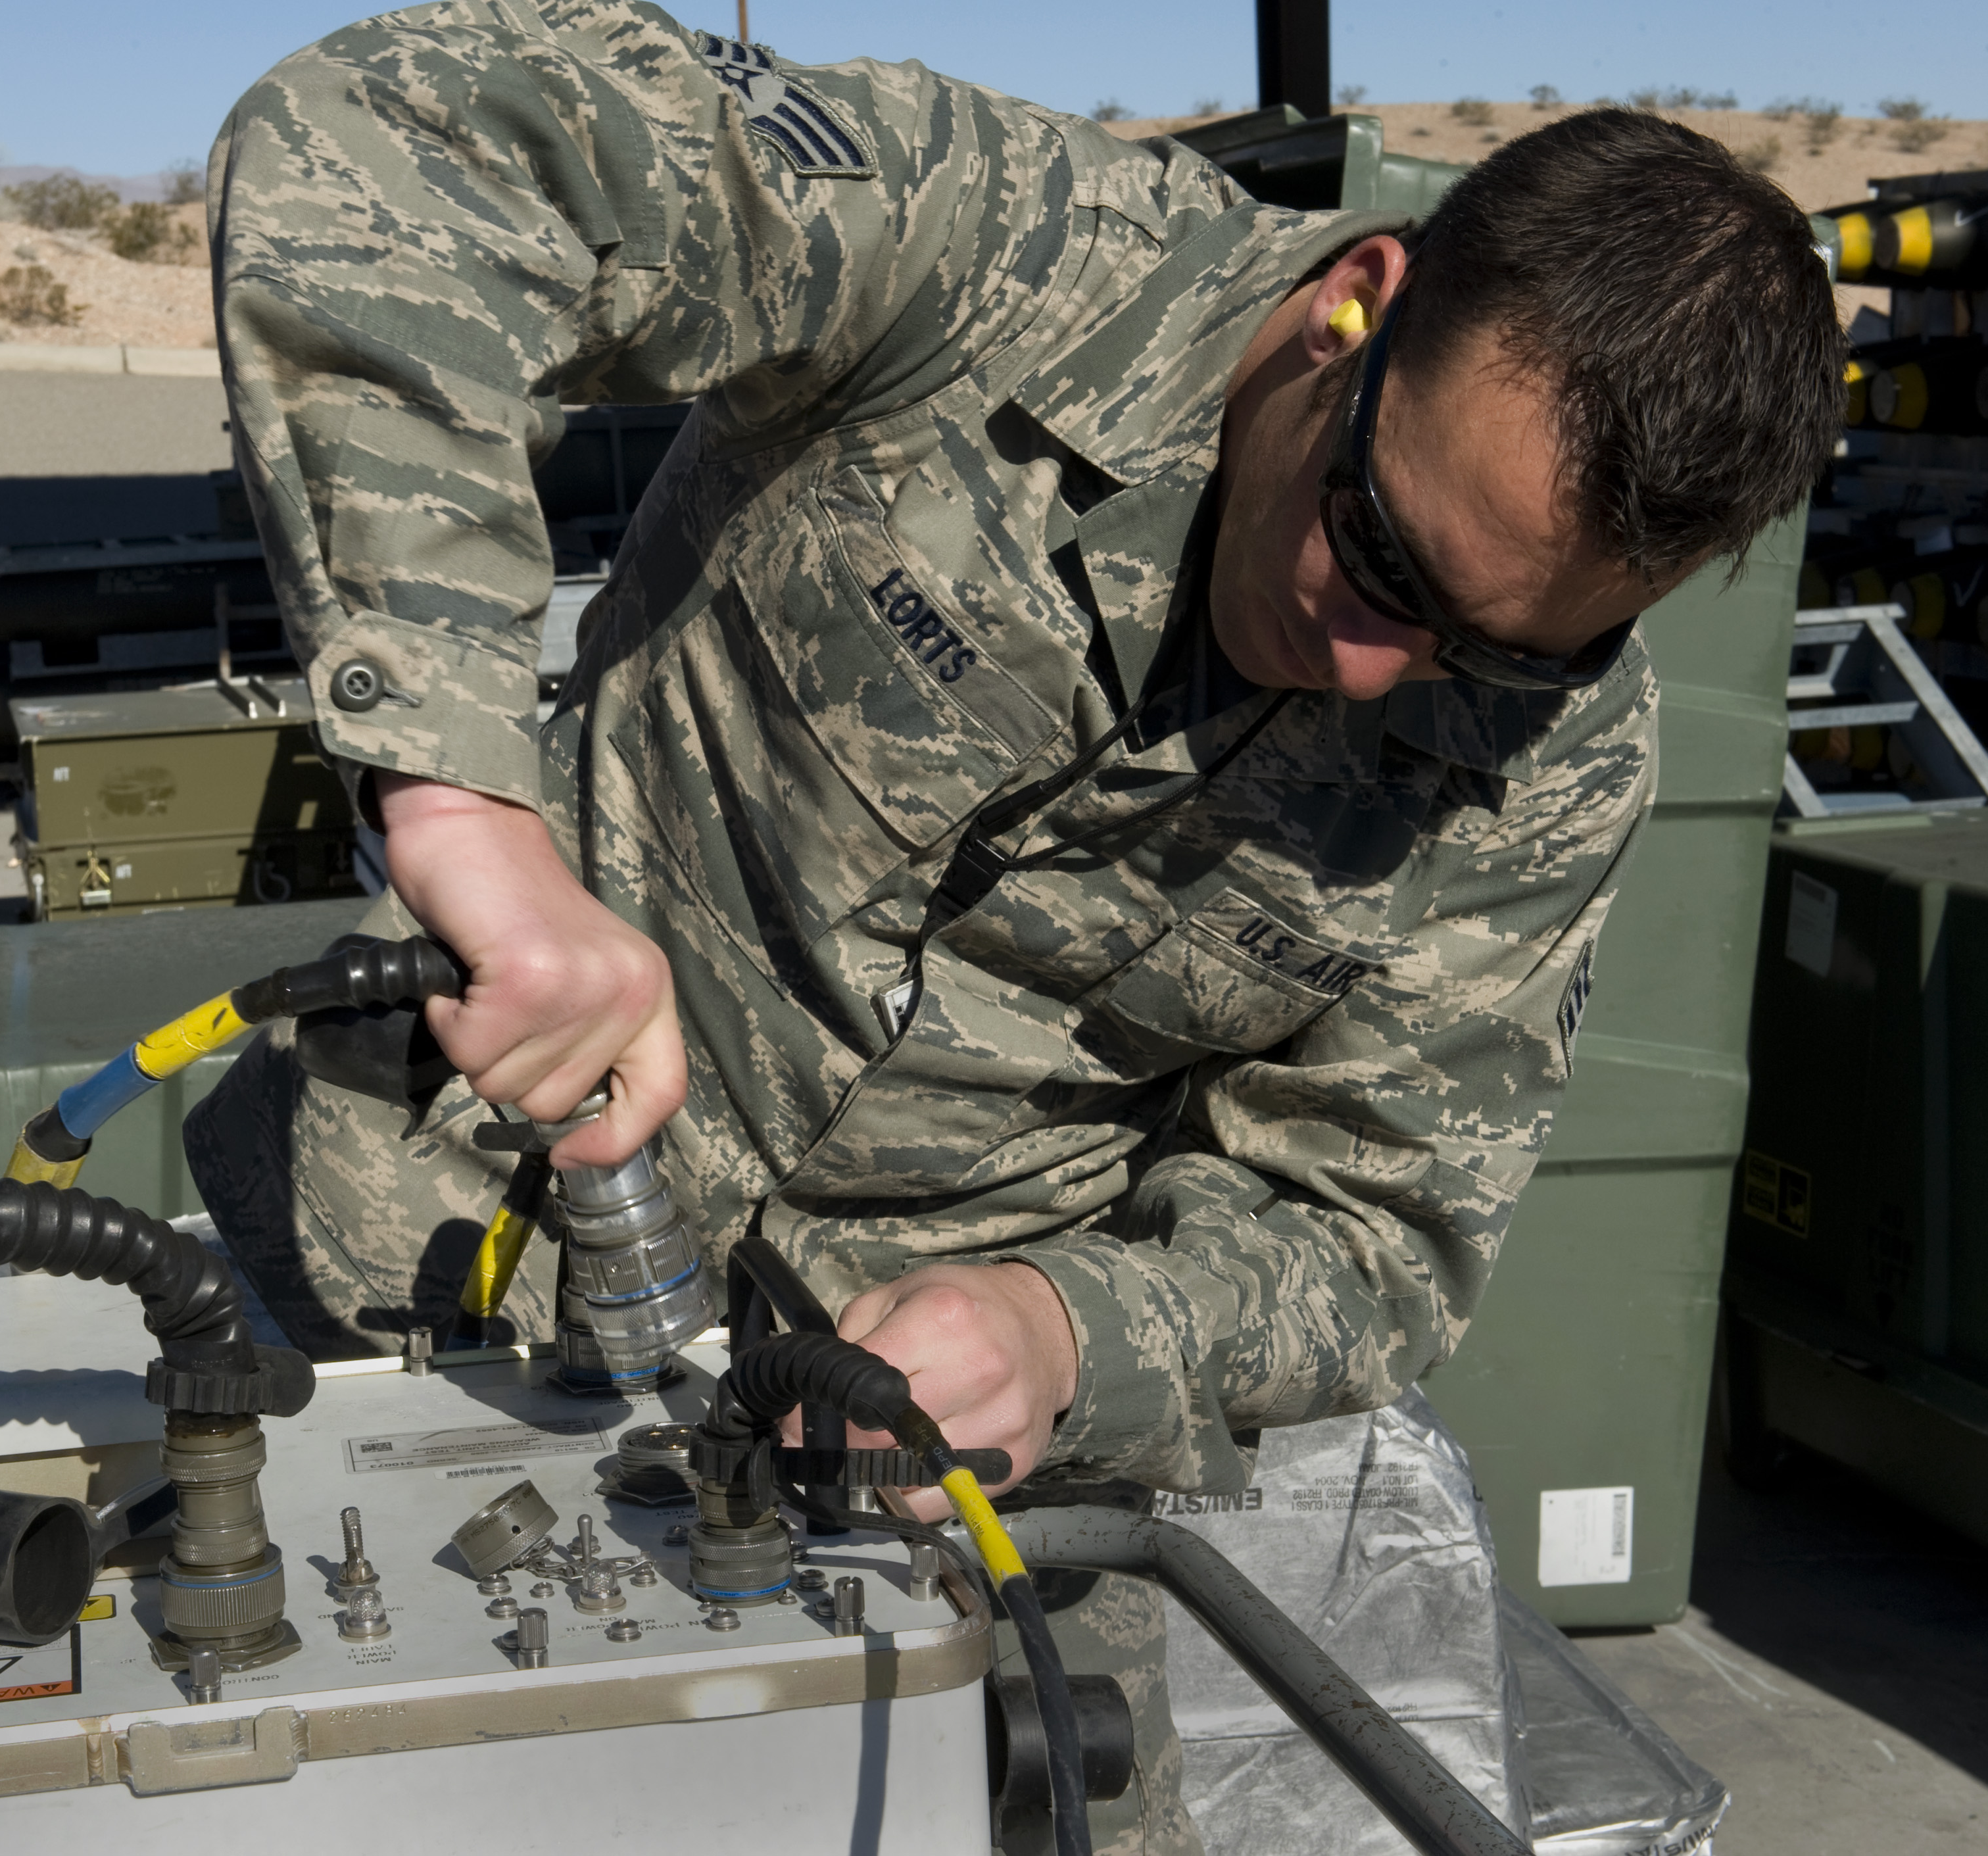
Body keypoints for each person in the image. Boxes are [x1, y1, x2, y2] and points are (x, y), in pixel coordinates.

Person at [185, 5, 1843, 1847]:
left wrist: (1072, 1329)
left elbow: (1371, 1228)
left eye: (1498, 645)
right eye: (1379, 553)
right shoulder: (1007, 256)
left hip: (933, 1490)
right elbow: (402, 131)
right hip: (423, 1281)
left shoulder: (1547, 764)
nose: (1383, 666)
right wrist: (461, 800)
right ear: (1352, 305)